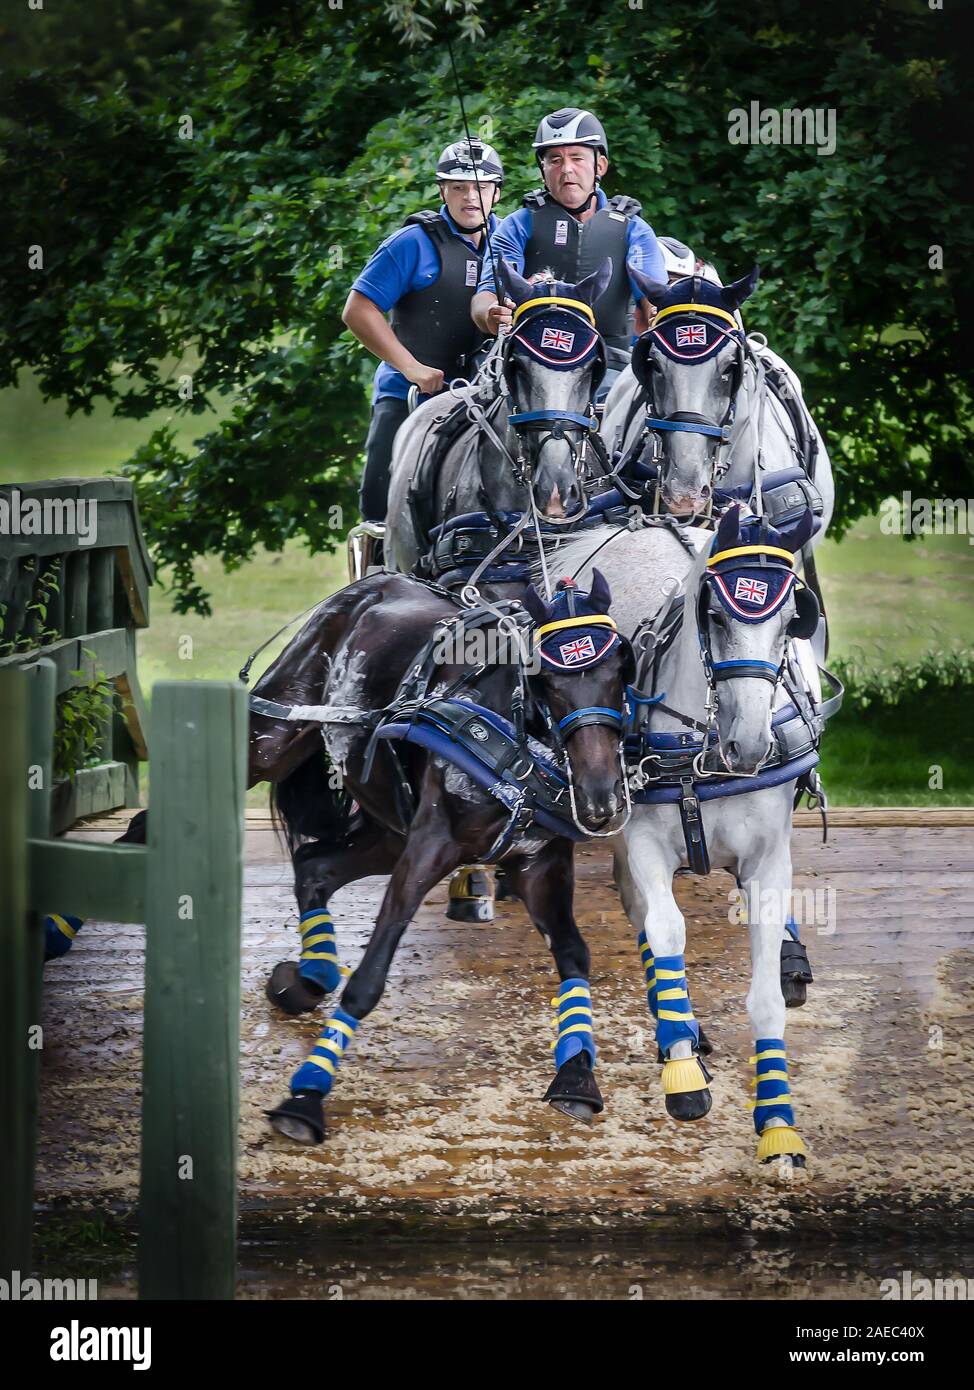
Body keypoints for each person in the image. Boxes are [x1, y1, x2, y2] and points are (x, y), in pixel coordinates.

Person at [342, 138, 504, 574]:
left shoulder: (511, 241)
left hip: (488, 395)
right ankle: (373, 577)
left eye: (481, 187)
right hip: (412, 392)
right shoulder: (412, 243)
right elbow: (358, 309)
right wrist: (411, 368)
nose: (470, 197)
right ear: (441, 191)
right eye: (457, 187)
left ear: (497, 192)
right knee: (381, 486)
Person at [470, 107, 665, 400]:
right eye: (555, 160)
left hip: (610, 368)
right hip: (530, 361)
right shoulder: (518, 224)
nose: (567, 169)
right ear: (543, 169)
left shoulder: (632, 229)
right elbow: (484, 296)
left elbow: (655, 301)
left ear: (600, 166)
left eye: (577, 158)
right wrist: (489, 314)